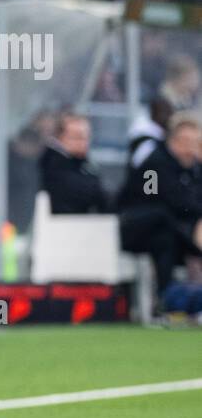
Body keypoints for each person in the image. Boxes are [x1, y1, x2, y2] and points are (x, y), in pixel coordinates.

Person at [119, 114, 202, 302]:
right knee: (163, 222)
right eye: (185, 141)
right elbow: (161, 199)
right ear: (172, 140)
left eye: (195, 142)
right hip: (138, 225)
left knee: (166, 238)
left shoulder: (194, 168)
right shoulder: (154, 165)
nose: (190, 148)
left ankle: (172, 298)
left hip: (169, 230)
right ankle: (168, 298)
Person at [38, 111, 108, 213]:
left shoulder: (82, 164)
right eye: (77, 137)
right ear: (60, 138)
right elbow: (88, 192)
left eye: (87, 137)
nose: (84, 143)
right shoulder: (53, 164)